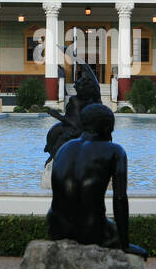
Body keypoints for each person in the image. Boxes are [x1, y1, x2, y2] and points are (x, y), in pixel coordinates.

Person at [47, 102, 146, 258]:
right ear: (107, 129)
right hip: (91, 231)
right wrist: (124, 244)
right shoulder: (116, 151)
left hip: (55, 227)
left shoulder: (63, 148)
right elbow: (119, 198)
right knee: (110, 229)